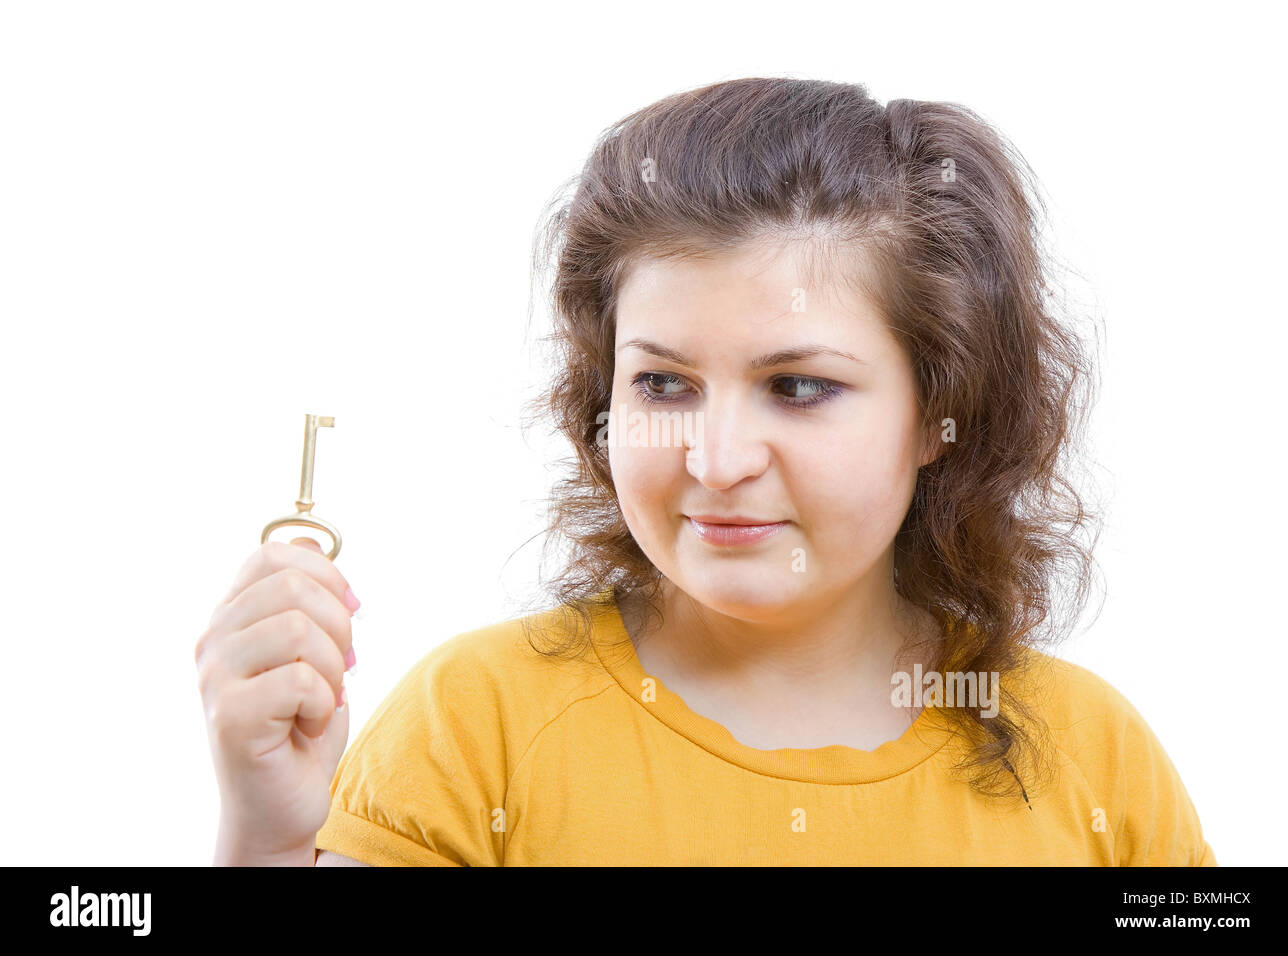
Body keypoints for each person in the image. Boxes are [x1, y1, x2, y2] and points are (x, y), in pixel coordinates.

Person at [197, 76, 1216, 865]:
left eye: (799, 386)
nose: (716, 461)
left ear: (939, 414)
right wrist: (272, 841)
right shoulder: (472, 726)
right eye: (664, 384)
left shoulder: (1095, 758)